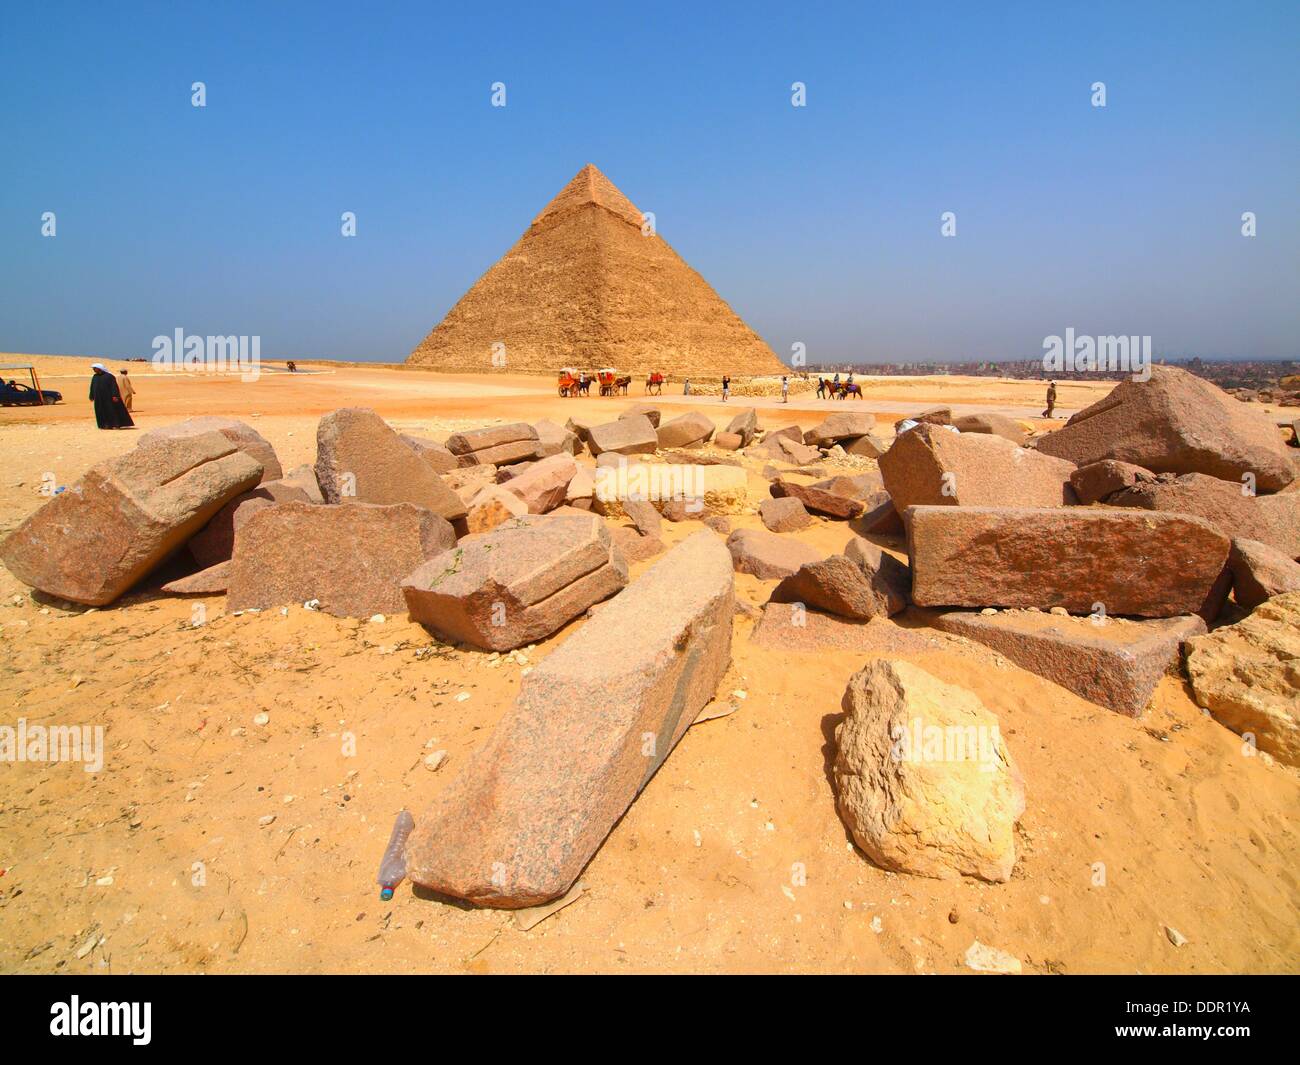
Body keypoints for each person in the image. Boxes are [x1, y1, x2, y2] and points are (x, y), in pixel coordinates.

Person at [90, 363, 134, 429]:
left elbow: (114, 387)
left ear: (99, 369)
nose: (94, 370)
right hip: (99, 398)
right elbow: (92, 386)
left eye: (95, 368)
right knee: (100, 411)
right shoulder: (95, 377)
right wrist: (91, 395)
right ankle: (104, 425)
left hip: (108, 397)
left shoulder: (109, 376)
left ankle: (115, 424)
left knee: (111, 411)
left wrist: (115, 396)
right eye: (93, 368)